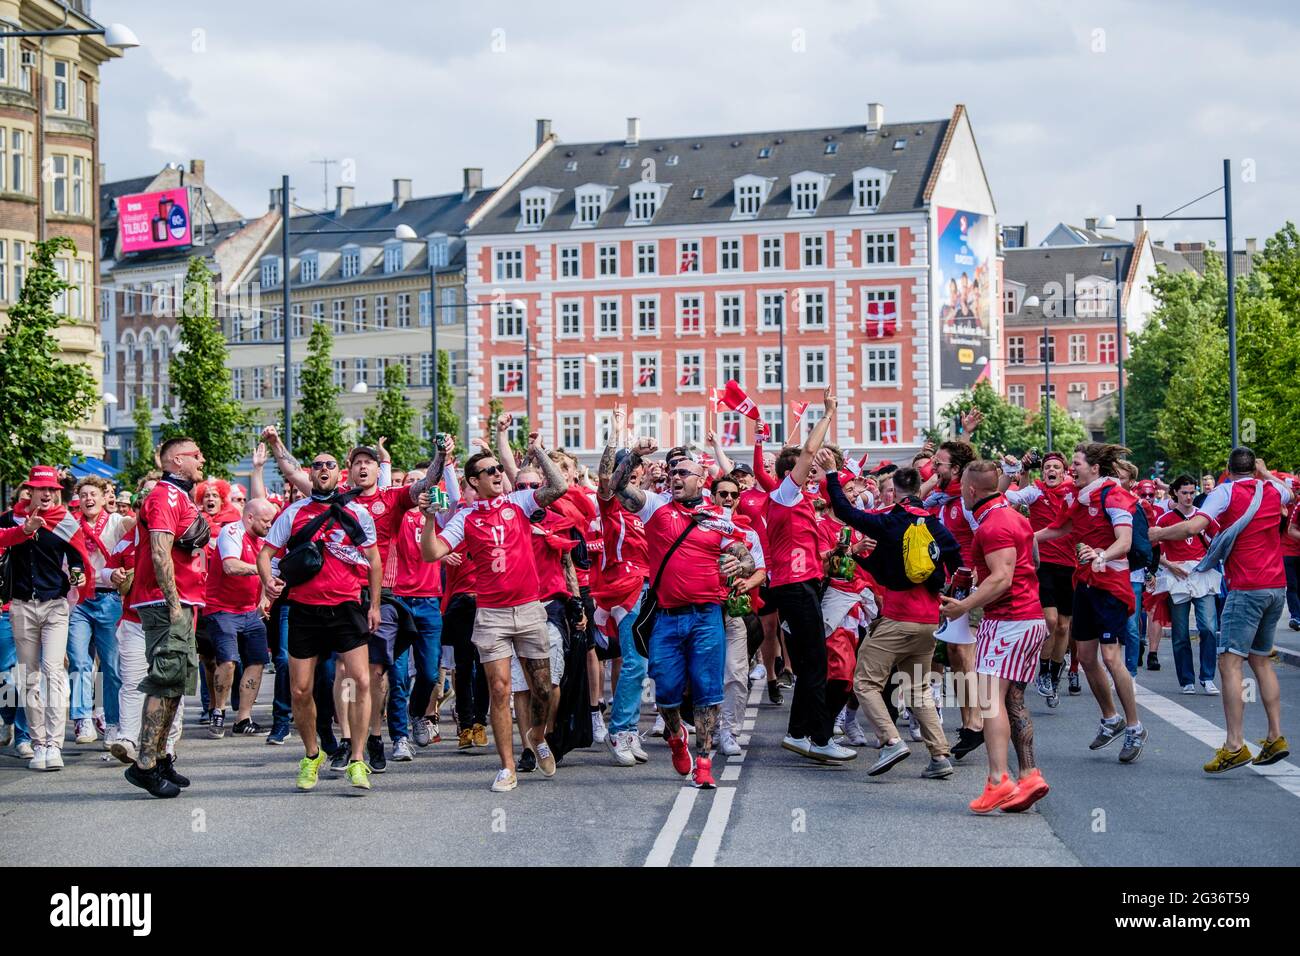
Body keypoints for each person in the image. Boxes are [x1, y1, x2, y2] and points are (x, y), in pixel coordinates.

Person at [421, 433, 570, 793]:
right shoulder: (466, 517)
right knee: (500, 690)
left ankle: (537, 735)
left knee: (543, 690)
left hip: (529, 608)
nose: (497, 475)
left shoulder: (519, 502)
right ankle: (506, 767)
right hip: (491, 615)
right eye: (489, 471)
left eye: (498, 469)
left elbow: (560, 486)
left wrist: (535, 452)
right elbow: (432, 553)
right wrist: (429, 519)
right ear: (474, 481)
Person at [610, 439, 760, 788]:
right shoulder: (656, 508)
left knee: (708, 692)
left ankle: (704, 760)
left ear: (701, 478)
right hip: (666, 617)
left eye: (683, 472)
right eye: (672, 471)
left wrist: (739, 562)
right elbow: (615, 487)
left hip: (707, 617)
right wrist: (634, 455)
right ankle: (676, 736)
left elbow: (748, 557)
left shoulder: (718, 520)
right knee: (666, 693)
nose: (675, 476)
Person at [1149, 447, 1291, 773]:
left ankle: (1234, 745)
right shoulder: (1273, 489)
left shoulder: (1226, 492)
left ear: (1227, 469)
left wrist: (1156, 533)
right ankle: (1275, 736)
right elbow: (1285, 489)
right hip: (1276, 586)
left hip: (1247, 588)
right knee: (1260, 659)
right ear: (1254, 467)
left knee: (1229, 663)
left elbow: (1191, 527)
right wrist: (1265, 472)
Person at [822, 458, 960, 779]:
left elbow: (845, 511)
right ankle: (940, 756)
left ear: (895, 492)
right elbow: (958, 560)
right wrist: (948, 590)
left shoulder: (889, 521)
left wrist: (831, 474)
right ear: (918, 491)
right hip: (929, 621)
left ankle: (890, 740)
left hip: (897, 618)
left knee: (865, 682)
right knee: (918, 688)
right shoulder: (935, 524)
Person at [258, 450, 383, 792]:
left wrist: (374, 605)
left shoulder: (356, 512)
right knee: (300, 690)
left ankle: (357, 759)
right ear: (309, 474)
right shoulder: (294, 512)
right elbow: (266, 554)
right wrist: (268, 583)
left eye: (329, 465)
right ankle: (312, 755)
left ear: (338, 473)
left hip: (346, 607)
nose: (323, 469)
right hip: (304, 609)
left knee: (359, 681)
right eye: (317, 465)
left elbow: (373, 560)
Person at [940, 460, 1051, 813]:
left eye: (961, 489)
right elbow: (1027, 561)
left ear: (971, 490)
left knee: (989, 699)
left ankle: (998, 780)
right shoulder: (1015, 516)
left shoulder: (994, 524)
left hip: (1009, 620)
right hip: (1028, 616)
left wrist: (964, 605)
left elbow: (1002, 577)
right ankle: (1029, 774)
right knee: (1012, 700)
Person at [1035, 443, 1147, 764]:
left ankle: (1134, 726)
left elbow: (1123, 542)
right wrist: (1029, 537)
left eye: (1077, 463)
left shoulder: (1112, 495)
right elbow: (1062, 527)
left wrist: (1101, 554)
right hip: (1084, 582)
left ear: (1095, 468)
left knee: (1111, 658)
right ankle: (1110, 718)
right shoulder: (1081, 497)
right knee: (1084, 656)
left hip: (1111, 585)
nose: (1072, 468)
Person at [761, 390, 852, 764]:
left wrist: (835, 555)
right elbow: (810, 452)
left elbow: (806, 551)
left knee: (812, 662)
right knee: (816, 663)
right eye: (807, 470)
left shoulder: (802, 505)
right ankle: (820, 738)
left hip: (802, 586)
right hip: (794, 589)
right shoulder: (784, 494)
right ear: (789, 473)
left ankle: (798, 734)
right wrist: (828, 413)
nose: (812, 474)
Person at [123, 438, 210, 797]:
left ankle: (159, 757)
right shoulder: (163, 496)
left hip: (182, 600)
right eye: (195, 455)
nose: (201, 459)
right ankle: (144, 763)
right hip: (164, 601)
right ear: (176, 461)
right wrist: (173, 605)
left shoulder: (180, 495)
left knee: (176, 681)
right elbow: (159, 552)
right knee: (164, 679)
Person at [0, 466, 88, 771]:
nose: (47, 494)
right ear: (31, 492)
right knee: (28, 676)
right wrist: (23, 531)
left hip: (55, 606)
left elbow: (77, 558)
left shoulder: (64, 520)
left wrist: (77, 575)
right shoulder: (12, 519)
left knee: (53, 670)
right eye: (42, 489)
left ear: (58, 493)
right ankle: (38, 744)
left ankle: (54, 743)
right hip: (22, 605)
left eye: (53, 489)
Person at [594, 405, 652, 767]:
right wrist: (618, 431)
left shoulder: (646, 507)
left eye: (633, 469)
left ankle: (629, 728)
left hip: (649, 589)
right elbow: (604, 480)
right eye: (624, 469)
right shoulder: (610, 507)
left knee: (643, 664)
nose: (628, 473)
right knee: (634, 664)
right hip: (623, 588)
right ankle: (619, 731)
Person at [1000, 451, 1075, 707]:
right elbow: (1008, 497)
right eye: (1047, 468)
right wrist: (1011, 471)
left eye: (1056, 467)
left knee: (1065, 626)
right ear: (1043, 472)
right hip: (1043, 564)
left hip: (1071, 565)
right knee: (1050, 620)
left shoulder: (1073, 493)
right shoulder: (1035, 491)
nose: (1051, 471)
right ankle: (1043, 670)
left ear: (1064, 472)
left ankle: (1055, 672)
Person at [203, 499, 278, 736]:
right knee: (227, 661)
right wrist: (262, 570)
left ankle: (243, 718)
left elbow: (268, 578)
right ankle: (218, 711)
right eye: (266, 521)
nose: (270, 525)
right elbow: (231, 566)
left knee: (257, 661)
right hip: (222, 607)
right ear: (250, 518)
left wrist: (264, 598)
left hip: (249, 610)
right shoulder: (231, 531)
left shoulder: (265, 539)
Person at [67, 475, 131, 748]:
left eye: (94, 494)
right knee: (80, 660)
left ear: (107, 497)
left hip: (109, 600)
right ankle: (82, 718)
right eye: (84, 495)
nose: (89, 499)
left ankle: (113, 721)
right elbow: (64, 562)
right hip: (79, 601)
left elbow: (136, 528)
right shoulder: (71, 525)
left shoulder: (118, 522)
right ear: (78, 500)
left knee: (111, 665)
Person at [1154, 476, 1221, 695]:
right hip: (1178, 576)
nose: (1189, 496)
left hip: (1202, 574)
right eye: (1184, 492)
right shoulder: (1164, 519)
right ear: (1174, 493)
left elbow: (1219, 541)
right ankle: (1186, 679)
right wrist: (1168, 564)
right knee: (1180, 633)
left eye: (1192, 492)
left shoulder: (1205, 518)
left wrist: (1210, 560)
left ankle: (1208, 676)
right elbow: (1152, 548)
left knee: (1209, 627)